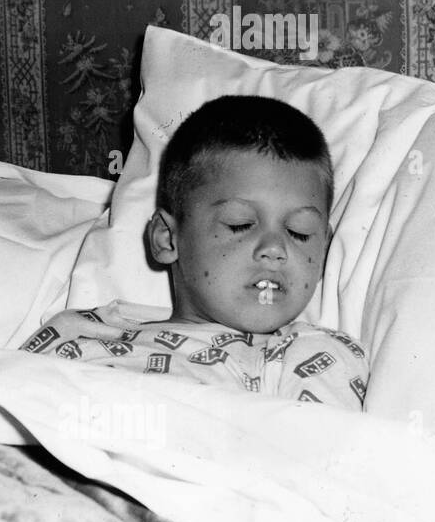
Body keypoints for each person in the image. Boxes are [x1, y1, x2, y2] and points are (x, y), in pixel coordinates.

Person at [22, 96, 367, 409]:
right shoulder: (78, 332)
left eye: (299, 233)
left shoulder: (313, 355)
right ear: (168, 239)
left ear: (324, 248)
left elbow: (321, 465)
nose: (275, 249)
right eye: (240, 224)